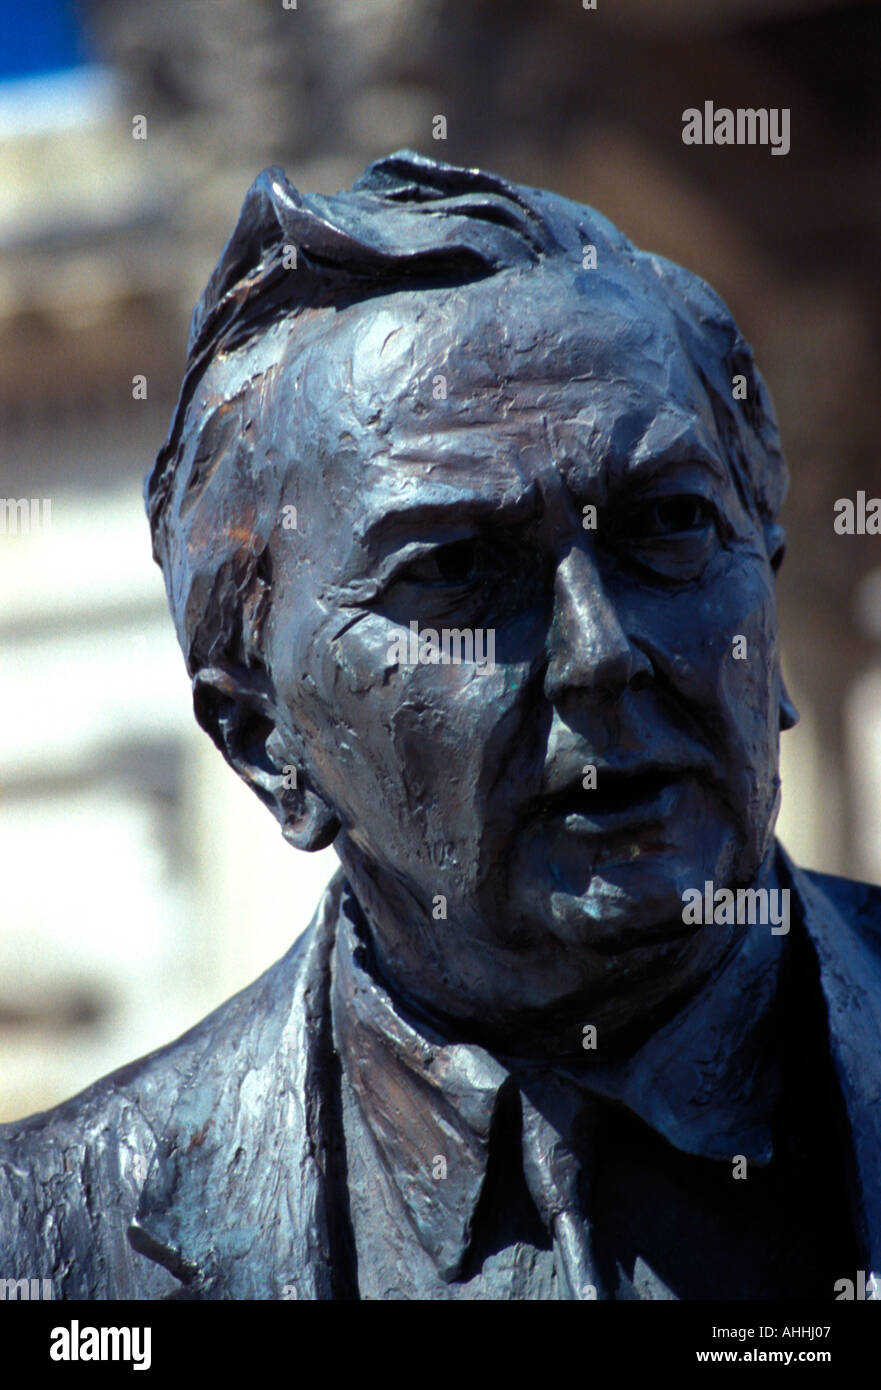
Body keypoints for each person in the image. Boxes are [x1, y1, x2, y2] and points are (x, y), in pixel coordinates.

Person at [2, 150, 879, 1300]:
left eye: (666, 522)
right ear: (266, 742)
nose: (603, 650)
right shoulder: (52, 1247)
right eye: (454, 571)